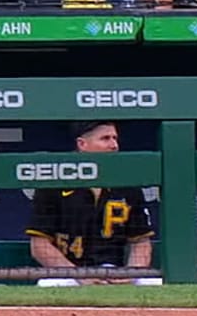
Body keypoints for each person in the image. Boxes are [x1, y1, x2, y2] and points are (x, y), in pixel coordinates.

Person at [27, 121, 155, 285]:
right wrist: (78, 275)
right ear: (82, 144)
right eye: (105, 139)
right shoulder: (54, 185)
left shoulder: (126, 182)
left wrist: (130, 272)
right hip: (68, 272)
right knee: (49, 285)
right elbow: (39, 246)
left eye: (115, 138)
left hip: (113, 270)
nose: (114, 145)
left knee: (153, 283)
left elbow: (141, 242)